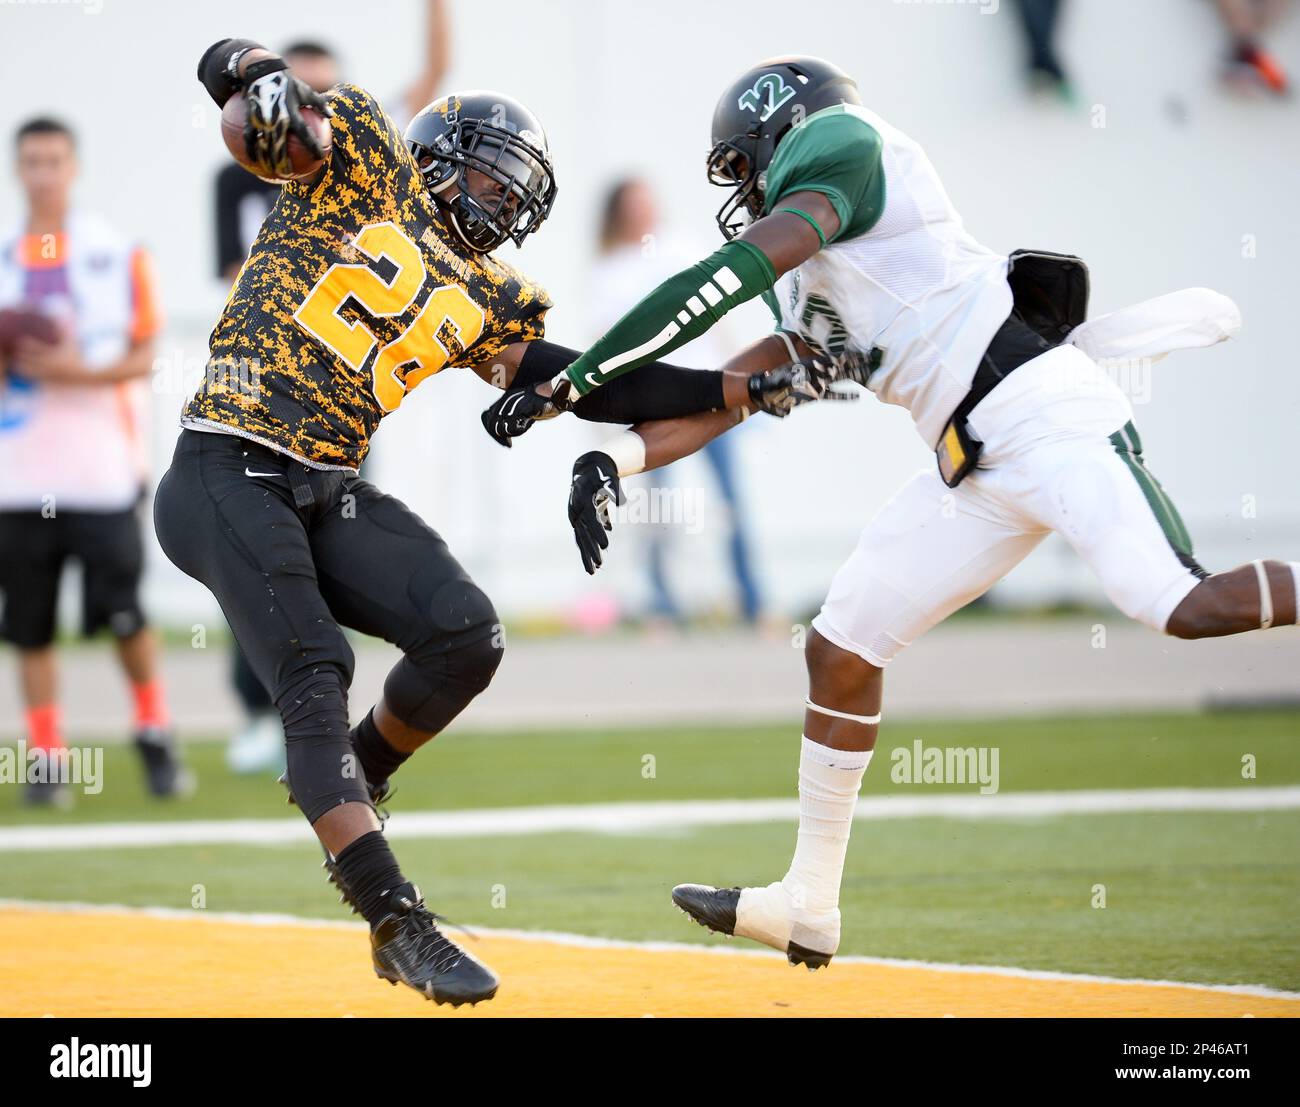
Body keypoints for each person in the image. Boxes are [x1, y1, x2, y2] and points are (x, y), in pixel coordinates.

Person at [489, 55, 1300, 970]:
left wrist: (578, 378)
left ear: (775, 135)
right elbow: (742, 387)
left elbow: (718, 280)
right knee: (840, 649)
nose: (743, 190)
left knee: (1183, 607)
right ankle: (808, 904)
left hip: (1044, 413)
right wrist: (617, 452)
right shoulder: (820, 275)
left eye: (741, 166)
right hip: (970, 465)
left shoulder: (844, 145)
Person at [158, 37, 826, 1007]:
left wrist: (738, 384)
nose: (502, 201)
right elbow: (254, 117)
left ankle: (354, 776)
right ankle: (396, 920)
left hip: (325, 481)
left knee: (464, 633)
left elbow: (595, 381)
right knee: (314, 668)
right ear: (437, 152)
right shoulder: (366, 160)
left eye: (519, 191)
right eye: (490, 172)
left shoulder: (488, 295)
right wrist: (246, 72)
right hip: (227, 459)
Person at [212, 4, 453, 774]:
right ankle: (259, 709)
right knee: (252, 548)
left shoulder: (366, 158)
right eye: (299, 96)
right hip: (259, 378)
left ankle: (323, 714)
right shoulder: (240, 173)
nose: (315, 118)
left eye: (325, 98)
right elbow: (235, 276)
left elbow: (430, 81)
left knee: (328, 536)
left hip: (339, 386)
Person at [0, 117, 190, 806]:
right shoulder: (4, 258)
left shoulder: (115, 254)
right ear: (17, 170)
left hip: (101, 472)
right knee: (30, 624)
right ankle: (47, 754)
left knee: (124, 615)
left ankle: (153, 731)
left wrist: (77, 370)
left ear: (74, 167)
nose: (43, 173)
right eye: (31, 162)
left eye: (54, 160)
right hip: (19, 478)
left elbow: (145, 351)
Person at [587, 178, 762, 624]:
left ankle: (752, 601)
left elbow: (718, 312)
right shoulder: (609, 271)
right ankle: (663, 603)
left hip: (711, 390)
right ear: (620, 213)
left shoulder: (681, 247)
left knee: (730, 499)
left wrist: (741, 378)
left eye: (649, 202)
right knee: (659, 506)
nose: (646, 212)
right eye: (635, 205)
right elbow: (610, 343)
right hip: (659, 399)